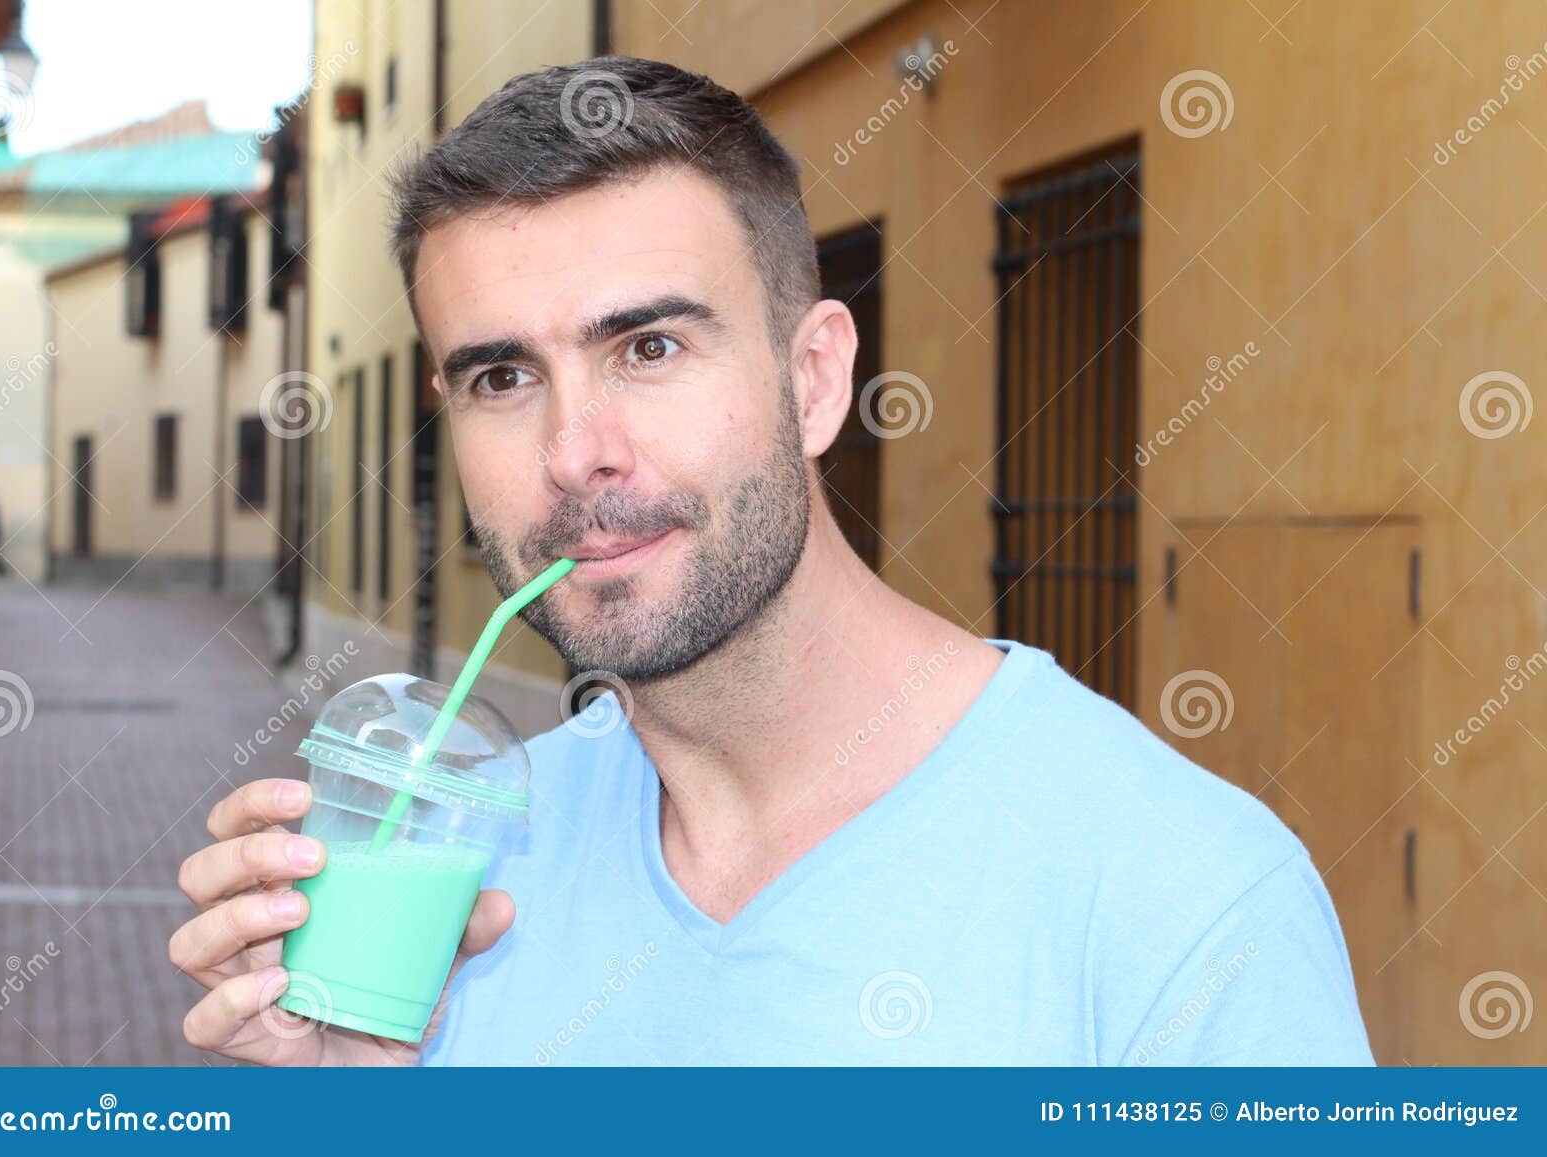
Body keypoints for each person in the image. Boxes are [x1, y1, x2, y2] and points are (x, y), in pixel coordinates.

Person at [170, 56, 1374, 1066]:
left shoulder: (1189, 902)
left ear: (813, 379)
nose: (575, 453)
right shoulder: (457, 866)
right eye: (502, 376)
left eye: (646, 346)